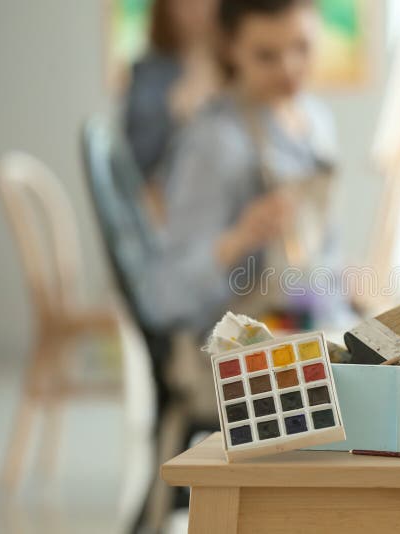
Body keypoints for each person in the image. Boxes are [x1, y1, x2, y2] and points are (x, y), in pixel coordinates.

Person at [137, 0, 337, 335]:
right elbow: (162, 296)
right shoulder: (213, 142)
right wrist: (237, 240)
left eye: (302, 47)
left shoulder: (318, 122)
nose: (289, 67)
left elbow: (325, 257)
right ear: (231, 48)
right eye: (266, 55)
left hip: (305, 327)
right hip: (232, 355)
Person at [124, 0, 222, 219]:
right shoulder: (149, 75)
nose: (198, 9)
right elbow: (136, 161)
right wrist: (174, 112)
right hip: (168, 206)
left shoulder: (237, 69)